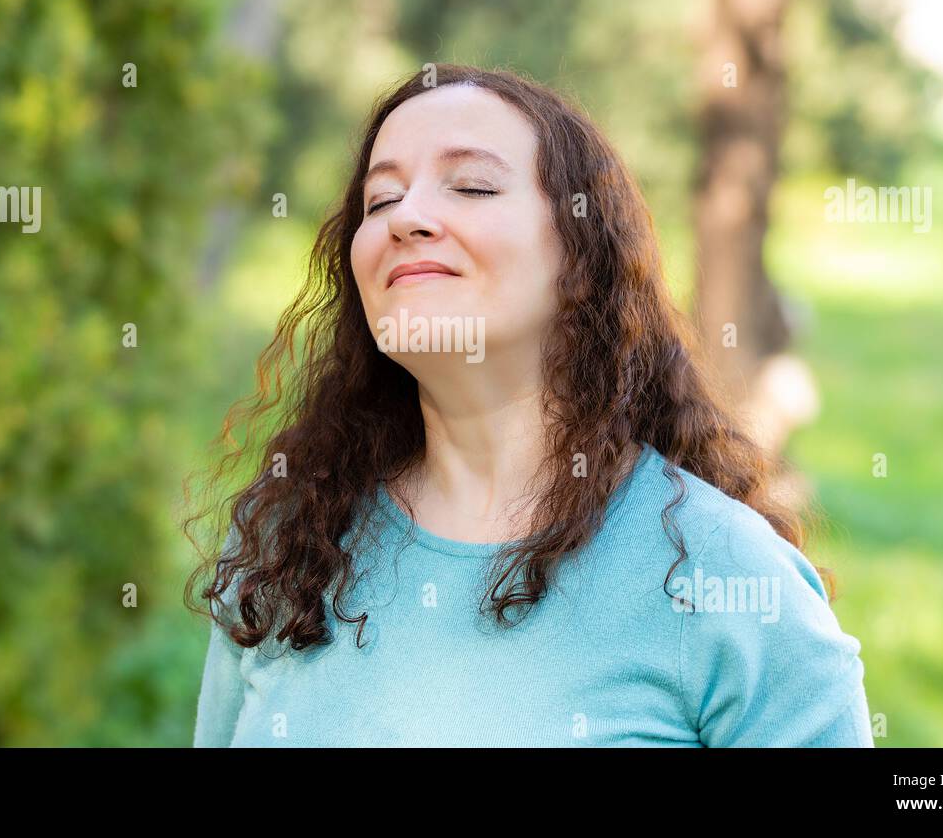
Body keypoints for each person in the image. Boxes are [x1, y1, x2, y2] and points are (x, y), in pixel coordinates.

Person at [186, 63, 874, 747]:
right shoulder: (286, 546)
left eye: (473, 185)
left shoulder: (724, 575)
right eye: (381, 200)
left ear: (582, 252)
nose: (409, 219)